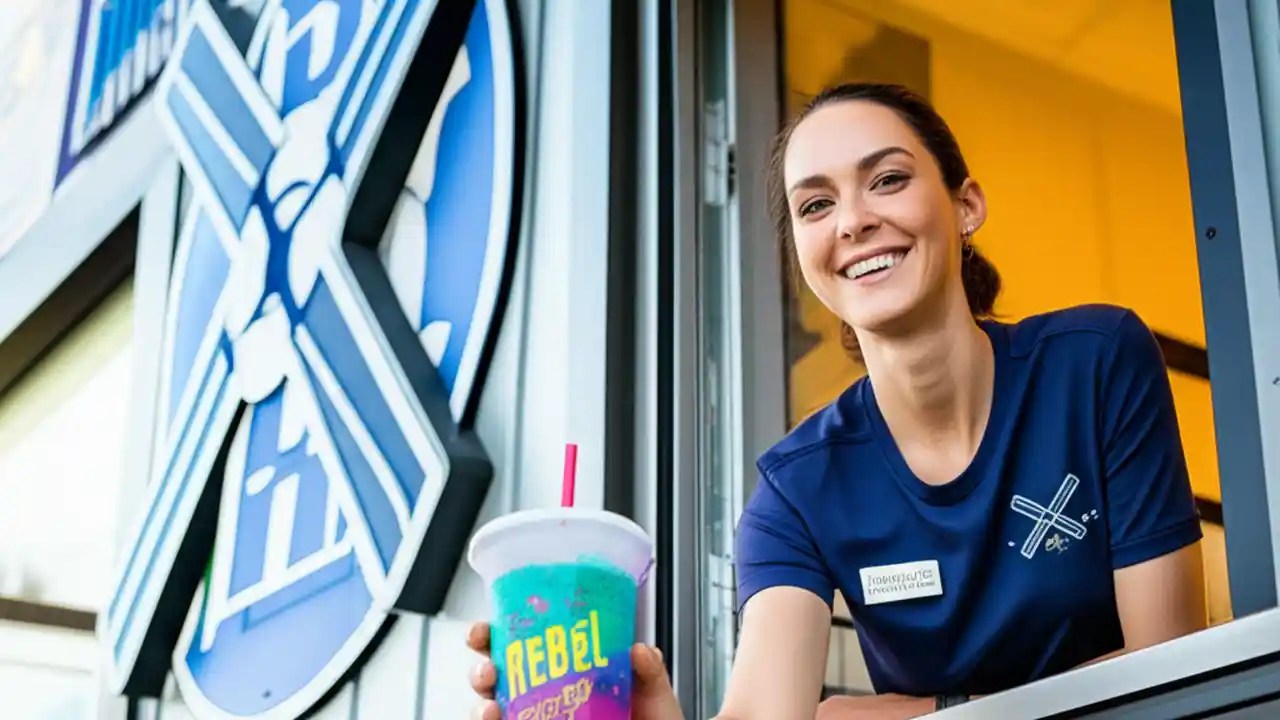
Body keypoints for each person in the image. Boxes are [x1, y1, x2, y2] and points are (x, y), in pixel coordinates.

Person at [467, 83, 1208, 719]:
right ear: (801, 254)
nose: (852, 220)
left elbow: (1170, 672)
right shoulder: (799, 490)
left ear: (966, 204)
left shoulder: (1096, 362)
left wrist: (935, 714)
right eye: (815, 204)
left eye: (886, 179)